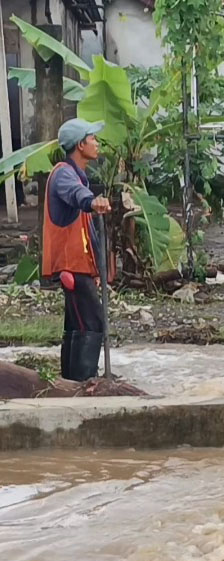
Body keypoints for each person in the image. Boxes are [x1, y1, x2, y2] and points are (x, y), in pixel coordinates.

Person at [42, 118, 111, 381]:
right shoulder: (64, 174)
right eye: (93, 138)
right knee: (91, 323)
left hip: (78, 266)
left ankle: (70, 382)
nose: (96, 142)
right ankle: (84, 382)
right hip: (72, 266)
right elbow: (75, 195)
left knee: (77, 324)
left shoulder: (76, 175)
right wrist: (92, 201)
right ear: (80, 145)